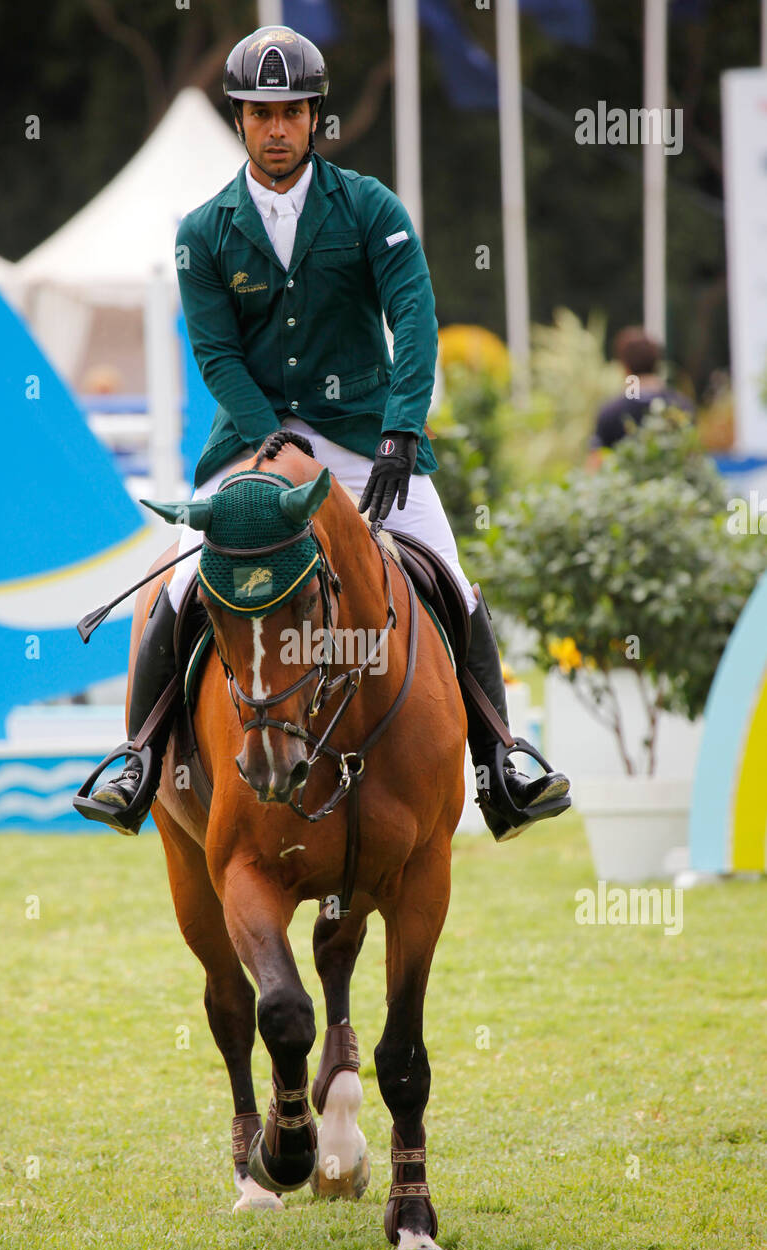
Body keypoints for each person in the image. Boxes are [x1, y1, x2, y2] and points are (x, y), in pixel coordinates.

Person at [90, 23, 570, 840]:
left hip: (364, 443)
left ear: (315, 117)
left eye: (291, 112)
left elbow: (414, 318)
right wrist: (270, 441)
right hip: (250, 446)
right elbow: (216, 353)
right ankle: (138, 759)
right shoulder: (203, 232)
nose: (276, 129)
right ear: (239, 119)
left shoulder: (370, 208)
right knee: (175, 584)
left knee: (451, 577)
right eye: (260, 113)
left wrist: (400, 434)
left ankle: (500, 760)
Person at [587, 326, 695, 470]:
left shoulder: (611, 412)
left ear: (624, 366)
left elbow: (595, 465)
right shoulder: (681, 406)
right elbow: (693, 458)